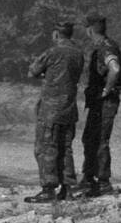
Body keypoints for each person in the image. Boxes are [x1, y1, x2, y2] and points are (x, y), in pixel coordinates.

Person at [26, 20, 85, 203]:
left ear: (56, 34)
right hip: (69, 108)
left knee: (46, 148)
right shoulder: (78, 53)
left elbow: (33, 72)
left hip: (51, 109)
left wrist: (47, 75)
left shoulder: (52, 53)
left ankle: (48, 189)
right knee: (66, 149)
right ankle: (67, 189)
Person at [79, 12, 121, 198]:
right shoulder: (103, 45)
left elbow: (115, 68)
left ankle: (103, 181)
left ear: (89, 29)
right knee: (90, 138)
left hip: (104, 101)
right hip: (98, 101)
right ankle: (89, 178)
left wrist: (106, 90)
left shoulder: (105, 47)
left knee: (100, 140)